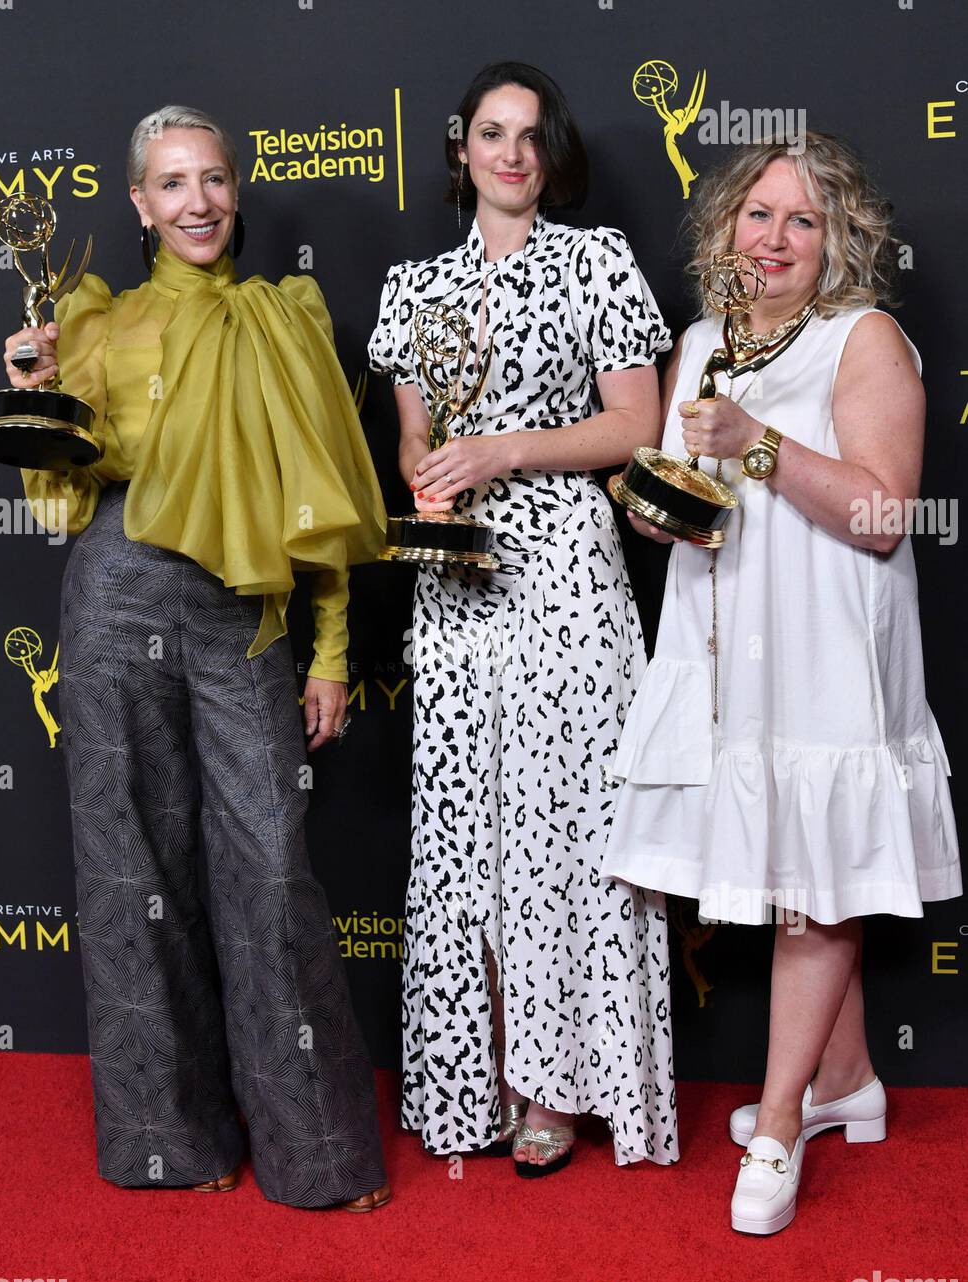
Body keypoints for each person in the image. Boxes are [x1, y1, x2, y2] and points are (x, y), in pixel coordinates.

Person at [11, 105, 391, 1212]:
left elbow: (317, 505)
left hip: (243, 617)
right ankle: (166, 1142)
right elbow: (60, 497)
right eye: (172, 185)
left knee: (271, 872)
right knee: (134, 877)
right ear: (139, 204)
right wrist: (37, 396)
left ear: (236, 191)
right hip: (113, 594)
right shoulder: (91, 325)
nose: (197, 204)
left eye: (214, 181)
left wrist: (329, 654)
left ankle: (316, 1155)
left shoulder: (286, 321)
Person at [604, 133, 961, 1233]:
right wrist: (650, 503)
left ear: (837, 239)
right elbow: (673, 503)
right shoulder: (704, 340)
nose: (775, 238)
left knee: (814, 874)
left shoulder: (865, 339)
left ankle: (773, 1124)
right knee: (788, 866)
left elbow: (881, 514)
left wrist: (755, 442)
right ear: (725, 229)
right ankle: (845, 1081)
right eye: (758, 215)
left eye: (802, 220)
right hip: (724, 647)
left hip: (826, 647)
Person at [368, 62, 678, 1175]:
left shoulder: (595, 261)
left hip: (565, 576)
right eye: (489, 133)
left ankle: (559, 1086)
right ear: (458, 150)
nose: (509, 152)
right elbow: (410, 438)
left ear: (550, 153)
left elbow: (633, 425)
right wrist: (430, 479)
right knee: (468, 835)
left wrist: (502, 450)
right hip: (455, 589)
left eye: (528, 134)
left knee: (563, 826)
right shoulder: (412, 287)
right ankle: (487, 1067)